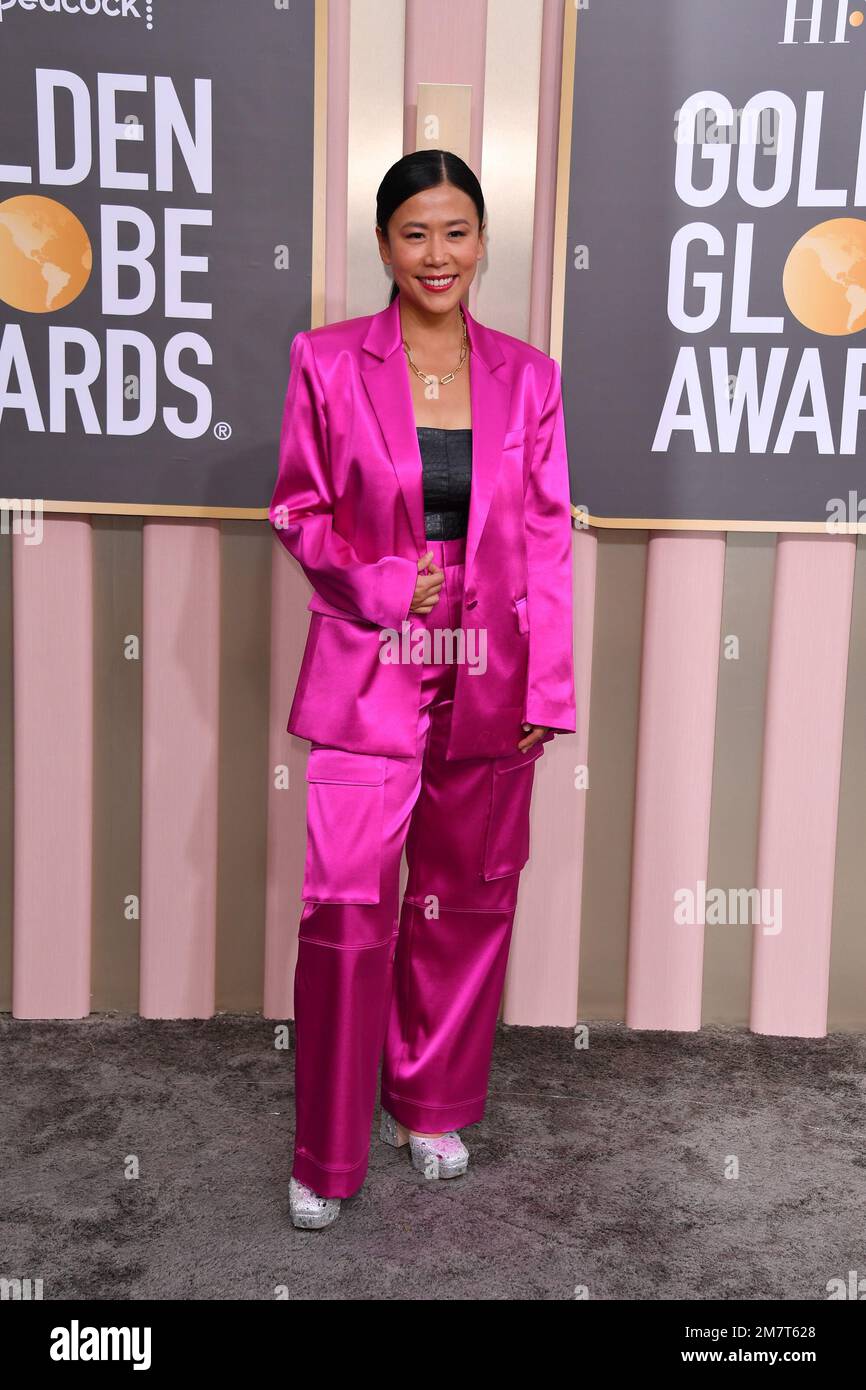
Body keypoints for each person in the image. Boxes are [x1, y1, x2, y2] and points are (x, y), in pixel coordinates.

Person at [269, 149, 576, 1229]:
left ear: (481, 240)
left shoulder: (528, 376)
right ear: (384, 245)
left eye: (454, 232)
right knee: (349, 905)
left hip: (489, 668)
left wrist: (546, 683)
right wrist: (388, 579)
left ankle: (430, 1101)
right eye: (413, 233)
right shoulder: (325, 361)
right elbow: (297, 511)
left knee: (468, 894)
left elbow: (543, 536)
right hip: (369, 661)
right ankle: (325, 1150)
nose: (435, 254)